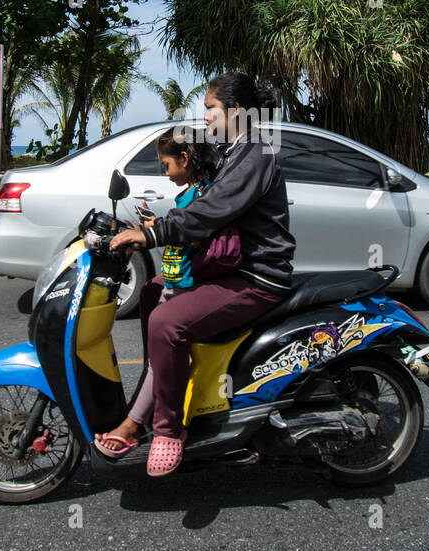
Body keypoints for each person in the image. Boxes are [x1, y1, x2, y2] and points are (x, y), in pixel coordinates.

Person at [109, 72, 295, 477]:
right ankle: (157, 394)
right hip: (229, 268)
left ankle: (168, 430)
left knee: (167, 322)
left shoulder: (256, 154)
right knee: (152, 292)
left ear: (236, 110)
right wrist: (154, 225)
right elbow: (203, 203)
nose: (206, 116)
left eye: (211, 108)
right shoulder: (235, 151)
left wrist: (153, 234)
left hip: (255, 277)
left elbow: (212, 211)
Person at [93, 126, 219, 459]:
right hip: (174, 280)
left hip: (184, 285)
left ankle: (134, 425)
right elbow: (181, 228)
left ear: (185, 158)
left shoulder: (203, 193)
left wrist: (154, 232)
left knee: (159, 360)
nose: (165, 172)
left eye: (167, 165)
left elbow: (195, 234)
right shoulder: (192, 192)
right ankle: (141, 416)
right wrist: (154, 226)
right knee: (154, 354)